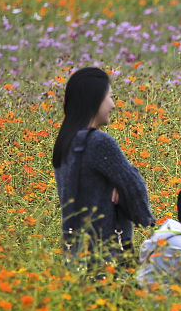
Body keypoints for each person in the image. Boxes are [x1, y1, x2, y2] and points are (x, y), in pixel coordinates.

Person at [52, 67, 154, 268]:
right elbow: (134, 186)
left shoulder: (66, 143)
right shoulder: (97, 142)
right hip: (106, 254)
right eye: (110, 97)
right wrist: (122, 187)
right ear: (95, 99)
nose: (113, 105)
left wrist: (113, 184)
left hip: (75, 254)